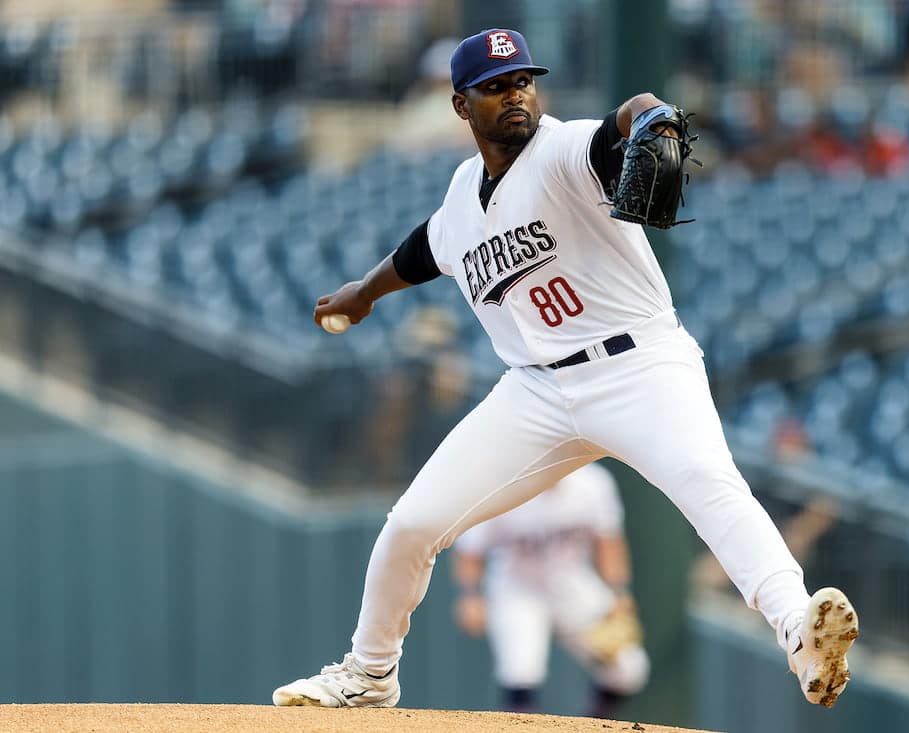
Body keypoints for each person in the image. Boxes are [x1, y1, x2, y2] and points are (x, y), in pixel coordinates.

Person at [272, 28, 859, 711]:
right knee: (410, 524)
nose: (516, 95)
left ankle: (798, 630)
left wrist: (651, 115)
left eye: (523, 80)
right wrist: (363, 293)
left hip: (640, 366)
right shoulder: (464, 192)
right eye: (496, 87)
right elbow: (423, 250)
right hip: (537, 390)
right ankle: (369, 675)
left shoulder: (562, 150)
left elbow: (624, 120)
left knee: (711, 486)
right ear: (462, 106)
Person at [452, 462, 648, 718]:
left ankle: (592, 725)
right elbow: (470, 552)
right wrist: (471, 596)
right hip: (517, 588)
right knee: (520, 673)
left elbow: (607, 542)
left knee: (629, 669)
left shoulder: (592, 483)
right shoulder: (500, 488)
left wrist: (619, 591)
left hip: (572, 584)